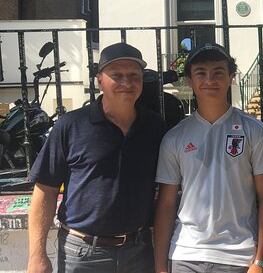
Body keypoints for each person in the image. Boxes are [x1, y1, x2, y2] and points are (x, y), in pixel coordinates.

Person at [28, 42, 166, 273]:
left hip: (139, 251)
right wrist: (37, 256)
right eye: (116, 75)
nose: (126, 82)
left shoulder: (155, 127)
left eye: (134, 75)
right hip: (81, 253)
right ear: (100, 81)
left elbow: (165, 191)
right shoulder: (70, 126)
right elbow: (45, 191)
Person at [153, 43, 263, 273]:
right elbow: (167, 204)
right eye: (201, 73)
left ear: (231, 77)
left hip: (238, 256)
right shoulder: (175, 137)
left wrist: (261, 261)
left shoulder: (254, 130)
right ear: (190, 80)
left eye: (218, 72)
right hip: (185, 255)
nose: (209, 79)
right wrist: (161, 268)